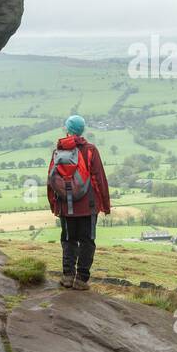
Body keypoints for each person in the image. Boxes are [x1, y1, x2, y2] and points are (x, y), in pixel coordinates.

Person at [46, 114, 111, 290]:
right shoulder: (90, 150)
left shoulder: (58, 152)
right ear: (82, 130)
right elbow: (99, 179)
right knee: (87, 241)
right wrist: (104, 204)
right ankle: (81, 279)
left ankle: (67, 276)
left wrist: (55, 204)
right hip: (88, 207)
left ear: (67, 129)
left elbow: (50, 181)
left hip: (65, 208)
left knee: (68, 240)